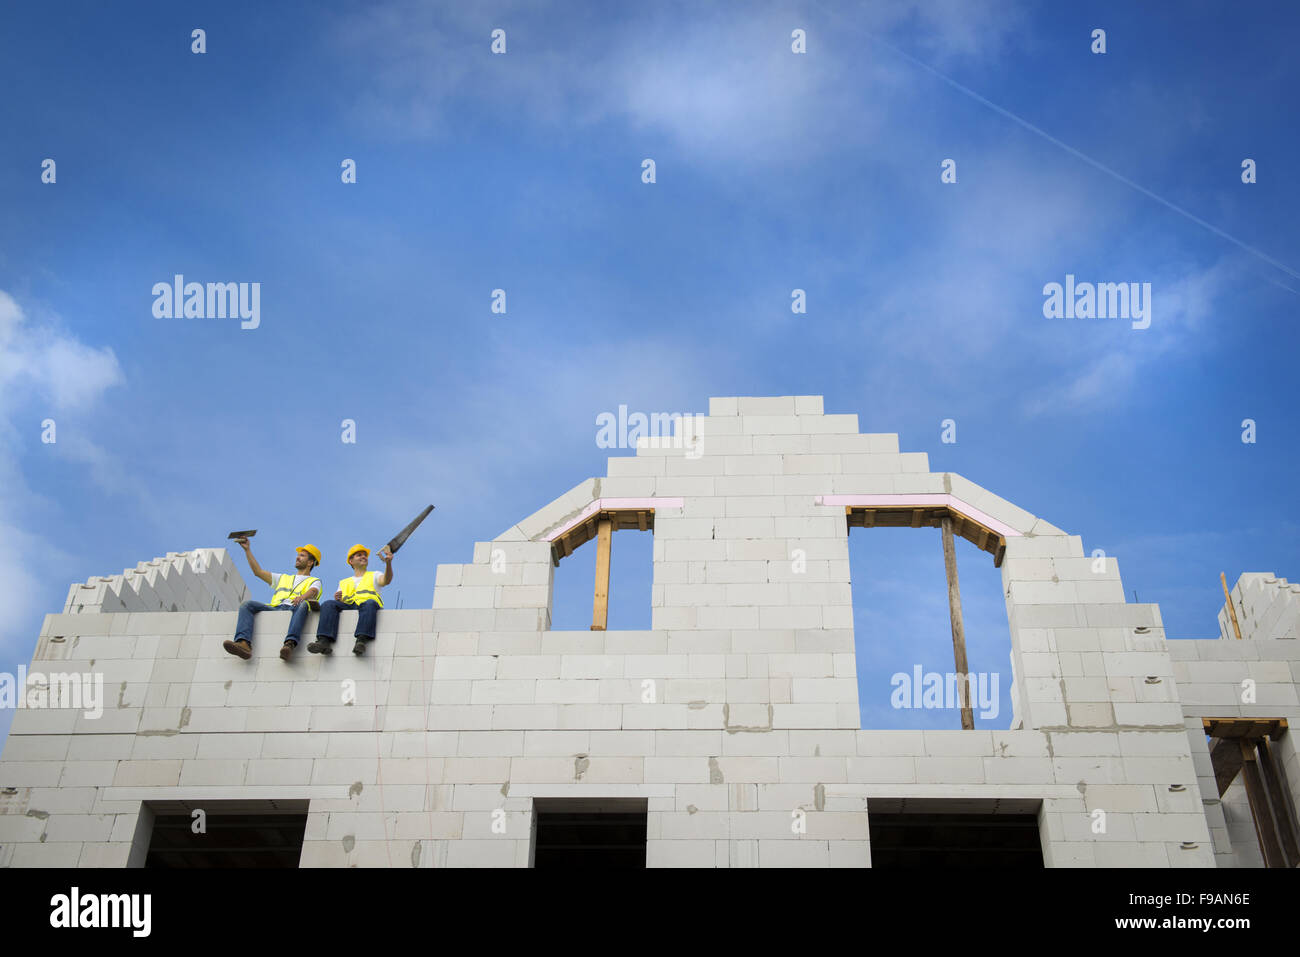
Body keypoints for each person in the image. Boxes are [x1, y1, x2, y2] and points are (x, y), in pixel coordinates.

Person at [223, 538, 322, 661]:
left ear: (310, 562)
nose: (297, 557)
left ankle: (289, 644)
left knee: (303, 605)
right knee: (247, 605)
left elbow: (313, 591)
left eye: (302, 556)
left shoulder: (314, 581)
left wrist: (302, 597)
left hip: (295, 607)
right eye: (298, 555)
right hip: (275, 607)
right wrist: (247, 550)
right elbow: (257, 572)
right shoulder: (283, 578)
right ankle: (244, 644)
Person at [307, 543, 392, 656]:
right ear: (351, 561)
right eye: (359, 555)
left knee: (370, 603)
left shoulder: (375, 574)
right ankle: (324, 641)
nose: (363, 557)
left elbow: (386, 580)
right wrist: (338, 599)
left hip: (367, 606)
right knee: (328, 604)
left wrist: (388, 564)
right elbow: (340, 601)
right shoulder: (344, 582)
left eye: (364, 555)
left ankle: (361, 641)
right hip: (349, 605)